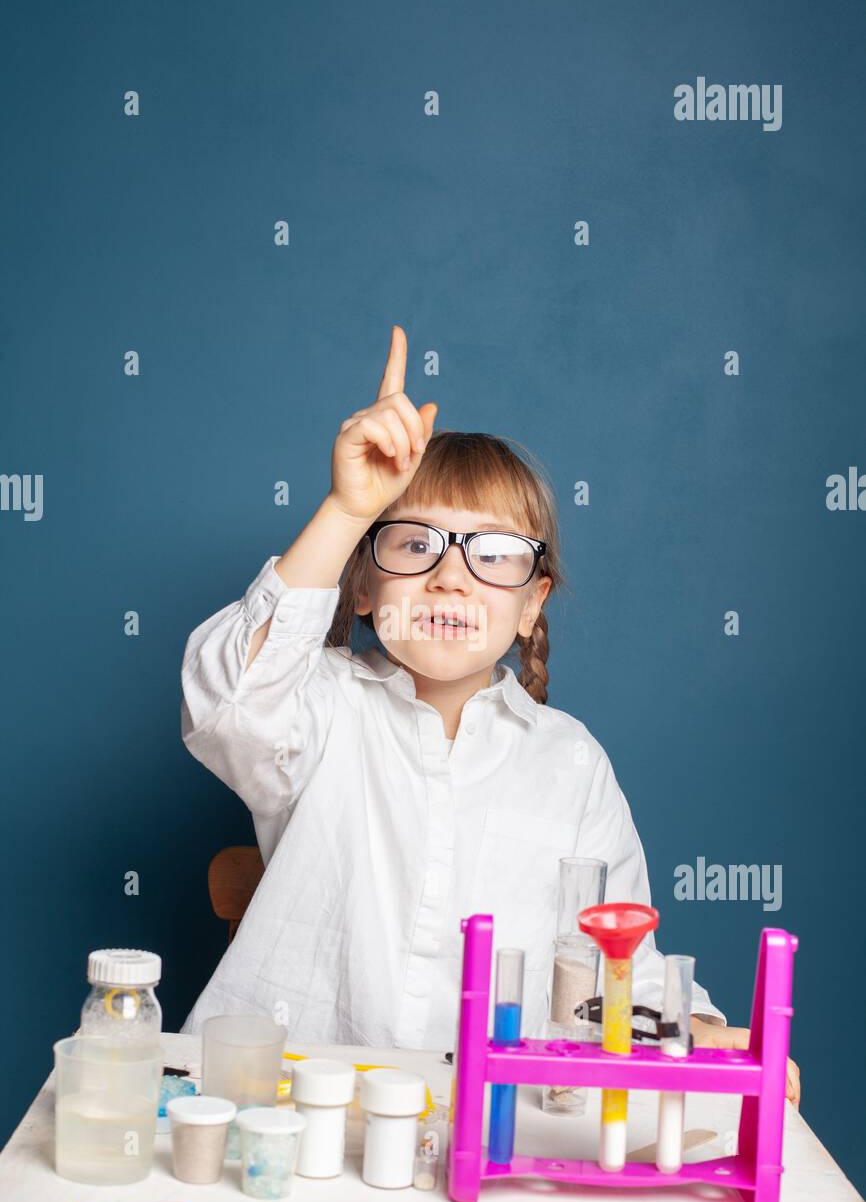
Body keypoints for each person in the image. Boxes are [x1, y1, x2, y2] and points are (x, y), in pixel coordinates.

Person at [178, 325, 800, 1105]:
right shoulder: (319, 707)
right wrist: (347, 508)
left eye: (495, 553)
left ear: (532, 604)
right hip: (283, 1115)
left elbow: (618, 972)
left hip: (479, 1133)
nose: (451, 579)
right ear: (361, 587)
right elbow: (227, 701)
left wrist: (697, 1038)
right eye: (414, 545)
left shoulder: (570, 765)